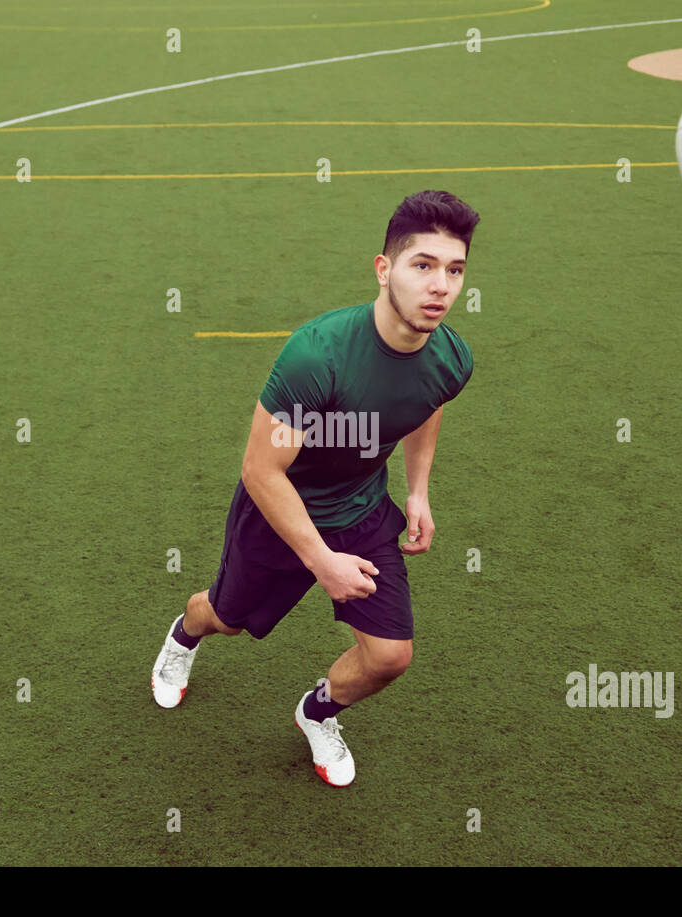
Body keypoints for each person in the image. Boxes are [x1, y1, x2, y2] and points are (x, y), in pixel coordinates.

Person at [151, 189, 480, 787]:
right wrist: (320, 560)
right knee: (226, 618)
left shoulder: (451, 357)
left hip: (361, 510)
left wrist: (418, 490)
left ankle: (318, 712)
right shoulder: (318, 356)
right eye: (423, 265)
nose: (440, 286)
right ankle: (184, 634)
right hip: (279, 516)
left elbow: (429, 402)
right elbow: (261, 471)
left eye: (454, 270)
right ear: (385, 270)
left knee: (389, 657)